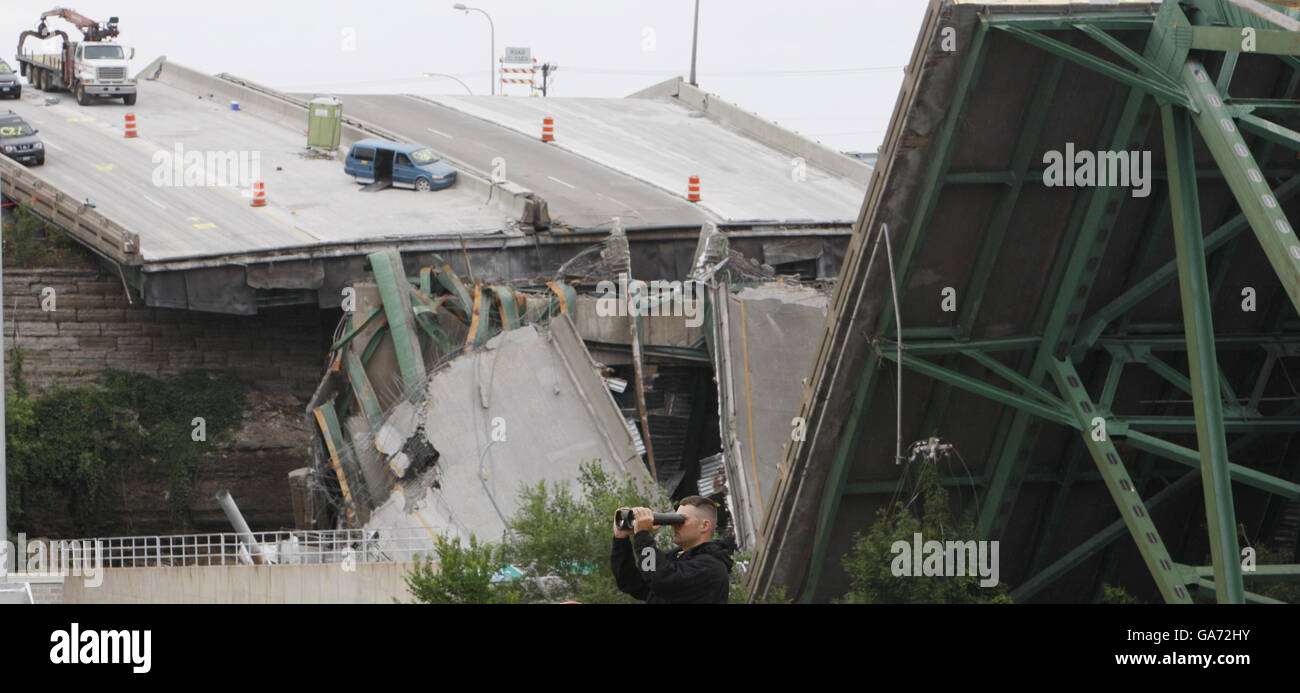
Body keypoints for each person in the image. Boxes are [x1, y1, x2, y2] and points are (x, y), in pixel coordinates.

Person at [610, 496, 734, 603]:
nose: (675, 525)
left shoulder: (711, 568)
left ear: (704, 525)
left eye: (681, 520)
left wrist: (642, 535)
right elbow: (631, 583)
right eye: (674, 519)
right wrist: (621, 540)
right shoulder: (675, 559)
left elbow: (659, 579)